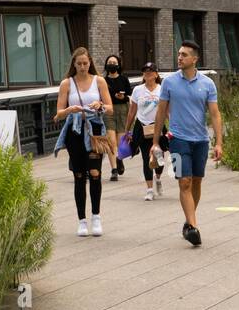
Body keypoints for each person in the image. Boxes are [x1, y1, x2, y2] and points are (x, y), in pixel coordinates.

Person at [152, 40, 222, 247]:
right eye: (179, 54)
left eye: (184, 55)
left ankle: (187, 223)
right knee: (185, 181)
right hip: (177, 140)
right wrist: (155, 142)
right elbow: (161, 112)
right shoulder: (169, 82)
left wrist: (219, 143)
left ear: (195, 59)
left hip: (200, 140)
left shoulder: (207, 84)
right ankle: (193, 227)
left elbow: (215, 115)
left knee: (197, 181)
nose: (179, 58)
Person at [53, 46, 113, 237]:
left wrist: (100, 105)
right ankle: (82, 220)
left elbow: (110, 108)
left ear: (90, 63)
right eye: (79, 64)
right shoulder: (66, 84)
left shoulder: (99, 81)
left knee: (95, 172)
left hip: (94, 129)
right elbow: (58, 114)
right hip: (75, 131)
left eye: (85, 63)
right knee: (79, 175)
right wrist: (70, 110)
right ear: (74, 64)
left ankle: (96, 216)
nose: (82, 67)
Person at [124, 61, 169, 200]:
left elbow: (167, 111)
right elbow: (132, 112)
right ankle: (149, 189)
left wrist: (173, 126)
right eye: (145, 71)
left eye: (150, 71)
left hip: (158, 126)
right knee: (146, 157)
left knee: (159, 157)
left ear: (156, 74)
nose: (147, 74)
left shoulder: (162, 89)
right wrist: (127, 130)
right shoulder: (138, 90)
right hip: (142, 126)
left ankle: (158, 178)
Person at [103, 53, 132, 181]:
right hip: (108, 111)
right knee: (111, 141)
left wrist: (123, 97)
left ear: (119, 65)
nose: (112, 65)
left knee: (120, 142)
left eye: (114, 63)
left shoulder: (124, 79)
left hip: (122, 110)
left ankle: (119, 159)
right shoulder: (103, 80)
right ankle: (114, 169)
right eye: (110, 63)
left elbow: (130, 96)